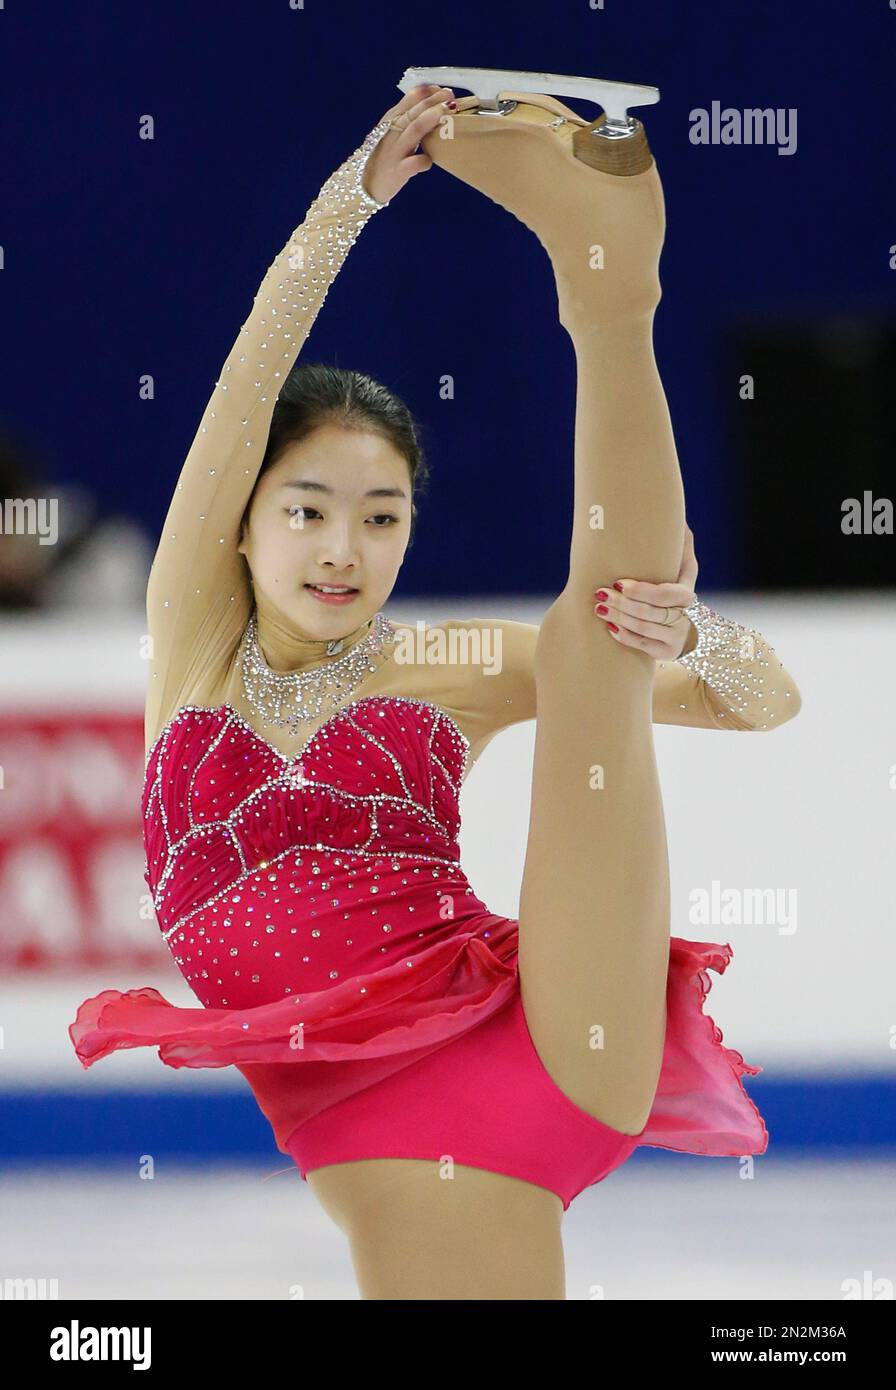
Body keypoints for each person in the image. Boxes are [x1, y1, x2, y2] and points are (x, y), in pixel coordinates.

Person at [69, 82, 801, 1300]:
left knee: (594, 642)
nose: (341, 550)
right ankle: (600, 264)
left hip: (556, 1031)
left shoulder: (448, 663)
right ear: (243, 530)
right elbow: (257, 357)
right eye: (305, 512)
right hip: (374, 1112)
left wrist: (697, 626)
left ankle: (607, 288)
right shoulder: (192, 647)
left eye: (381, 517)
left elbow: (761, 700)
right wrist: (351, 198)